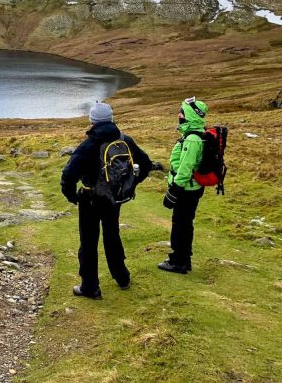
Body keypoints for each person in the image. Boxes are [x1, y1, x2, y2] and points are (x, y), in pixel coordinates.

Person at [61, 102, 152, 299]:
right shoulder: (125, 140)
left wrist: (72, 196)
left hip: (89, 199)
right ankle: (122, 278)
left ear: (92, 121)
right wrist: (129, 186)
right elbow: (146, 164)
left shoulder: (88, 145)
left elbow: (68, 175)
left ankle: (90, 287)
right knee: (112, 235)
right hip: (113, 199)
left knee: (88, 242)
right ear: (111, 118)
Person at [158, 97, 208, 274]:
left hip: (186, 189)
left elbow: (186, 168)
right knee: (185, 223)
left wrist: (174, 190)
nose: (179, 115)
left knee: (180, 224)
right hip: (192, 188)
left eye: (182, 112)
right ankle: (183, 258)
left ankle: (179, 262)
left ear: (191, 115)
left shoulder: (192, 139)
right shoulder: (195, 134)